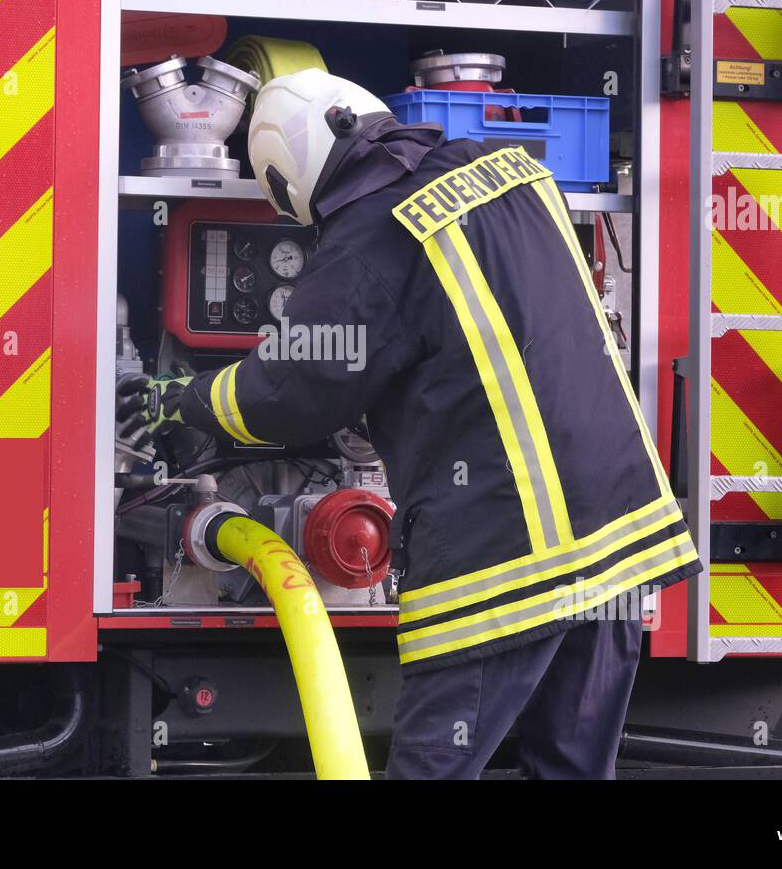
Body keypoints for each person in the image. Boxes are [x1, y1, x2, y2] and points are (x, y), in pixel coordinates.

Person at [117, 68, 701, 779]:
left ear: (289, 177)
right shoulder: (510, 169)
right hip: (619, 540)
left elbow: (289, 389)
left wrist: (183, 398)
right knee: (573, 767)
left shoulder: (371, 237)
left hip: (505, 563)